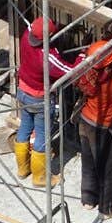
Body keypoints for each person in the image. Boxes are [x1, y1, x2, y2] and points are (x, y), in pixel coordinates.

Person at [14, 16, 77, 188]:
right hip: (39, 98)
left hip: (23, 90)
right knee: (42, 136)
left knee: (25, 128)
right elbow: (69, 70)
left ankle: (23, 169)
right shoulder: (46, 56)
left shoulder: (26, 35)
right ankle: (40, 178)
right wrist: (81, 57)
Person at [75, 39, 112, 216]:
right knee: (108, 168)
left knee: (88, 162)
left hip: (85, 122)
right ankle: (108, 208)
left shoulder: (87, 72)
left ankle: (88, 199)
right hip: (105, 129)